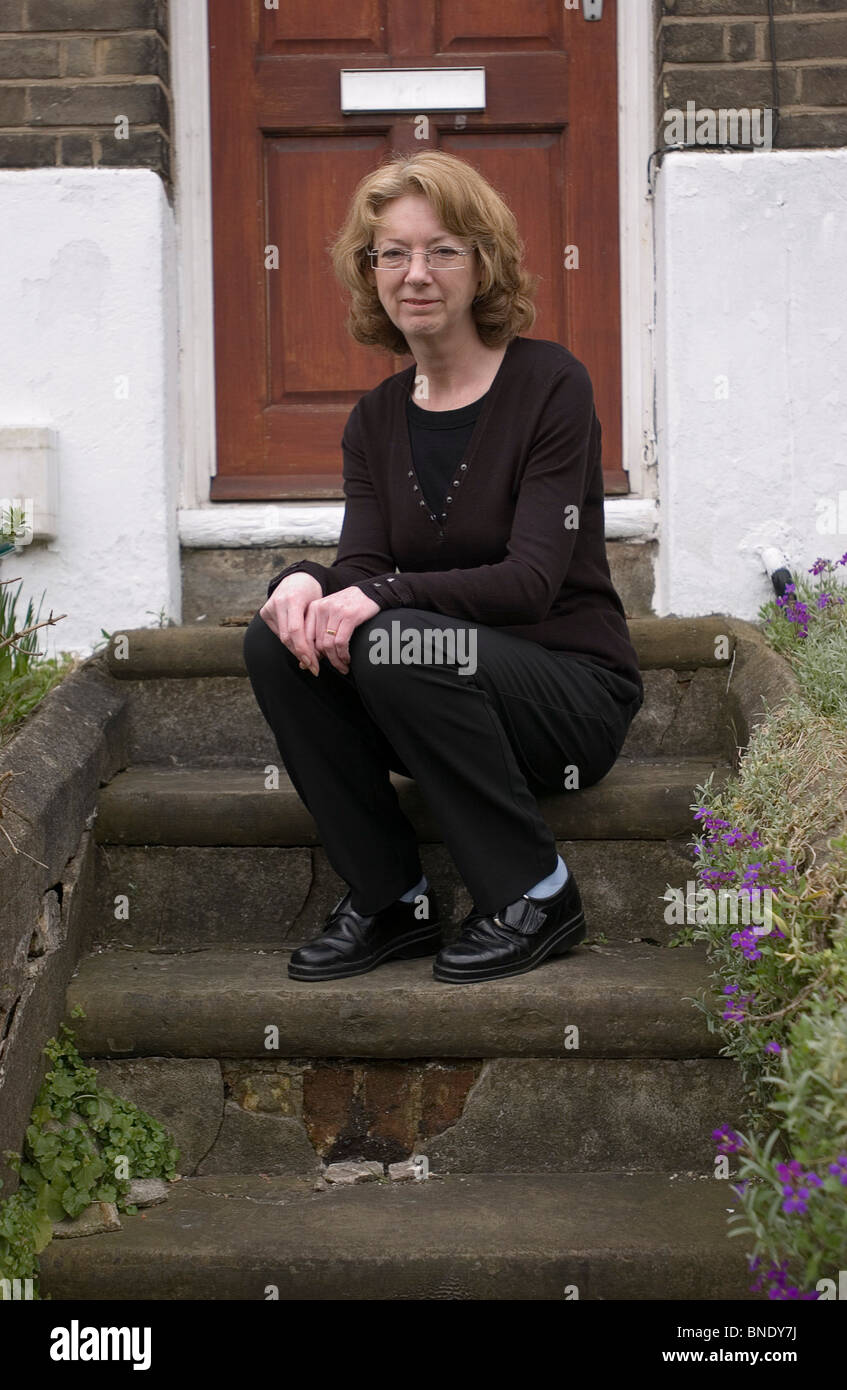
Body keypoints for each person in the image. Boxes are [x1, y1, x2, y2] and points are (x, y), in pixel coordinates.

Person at [242, 150, 643, 986]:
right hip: (437, 697)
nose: (414, 274)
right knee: (274, 638)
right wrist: (303, 579)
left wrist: (376, 598)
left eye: (442, 250)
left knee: (394, 637)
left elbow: (530, 579)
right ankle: (393, 901)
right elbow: (362, 567)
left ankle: (535, 892)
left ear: (483, 263)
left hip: (565, 696)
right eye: (392, 252)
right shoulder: (376, 419)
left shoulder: (550, 384)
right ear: (370, 272)